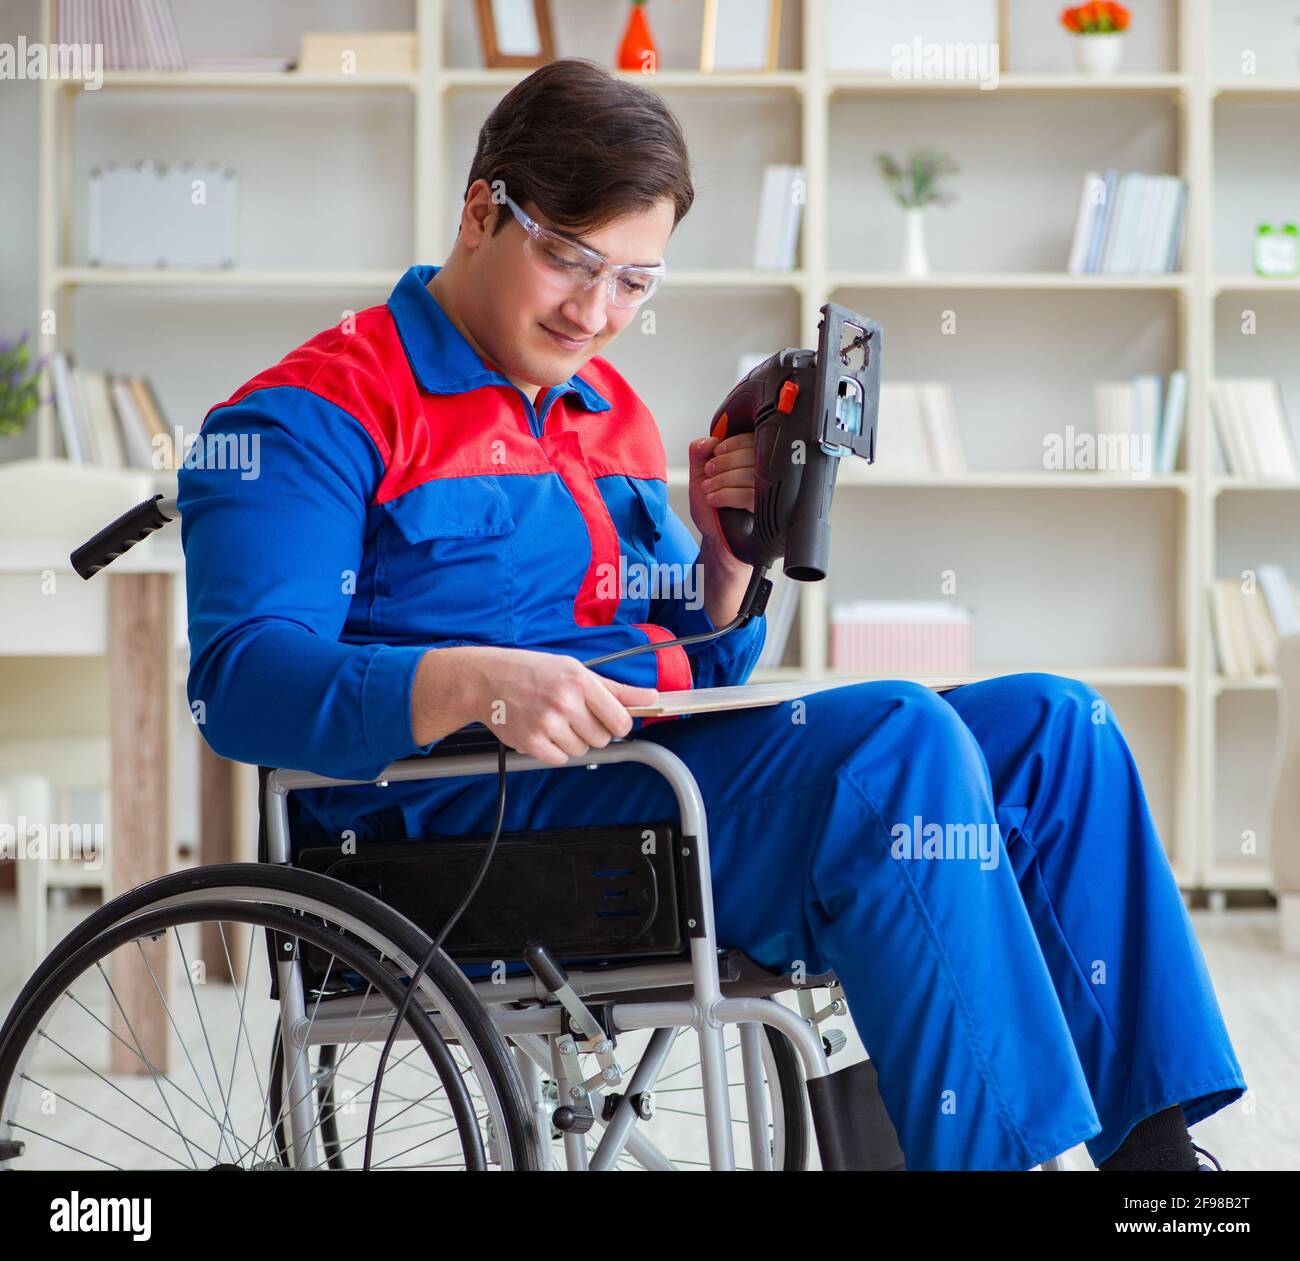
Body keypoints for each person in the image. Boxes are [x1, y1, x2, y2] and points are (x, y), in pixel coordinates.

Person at [177, 57, 1246, 1171]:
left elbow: (678, 662)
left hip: (641, 785)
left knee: (1054, 728)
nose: (596, 311)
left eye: (635, 282)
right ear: (481, 210)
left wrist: (723, 573)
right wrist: (475, 679)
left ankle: (1154, 1168)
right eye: (568, 261)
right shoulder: (309, 413)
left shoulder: (610, 412)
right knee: (893, 748)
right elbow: (242, 681)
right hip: (456, 830)